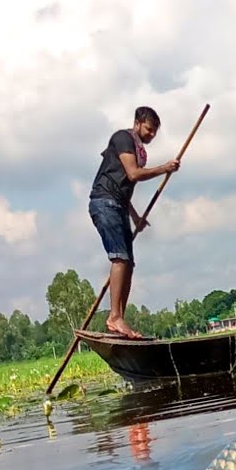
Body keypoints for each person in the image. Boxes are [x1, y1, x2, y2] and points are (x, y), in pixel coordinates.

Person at [87, 106, 180, 339]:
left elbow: (124, 188)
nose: (151, 135)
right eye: (149, 129)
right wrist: (164, 168)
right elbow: (133, 174)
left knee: (128, 263)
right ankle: (114, 317)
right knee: (120, 258)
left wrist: (135, 216)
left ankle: (119, 317)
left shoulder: (139, 151)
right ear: (138, 122)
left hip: (118, 205)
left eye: (155, 132)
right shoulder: (123, 138)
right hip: (104, 203)